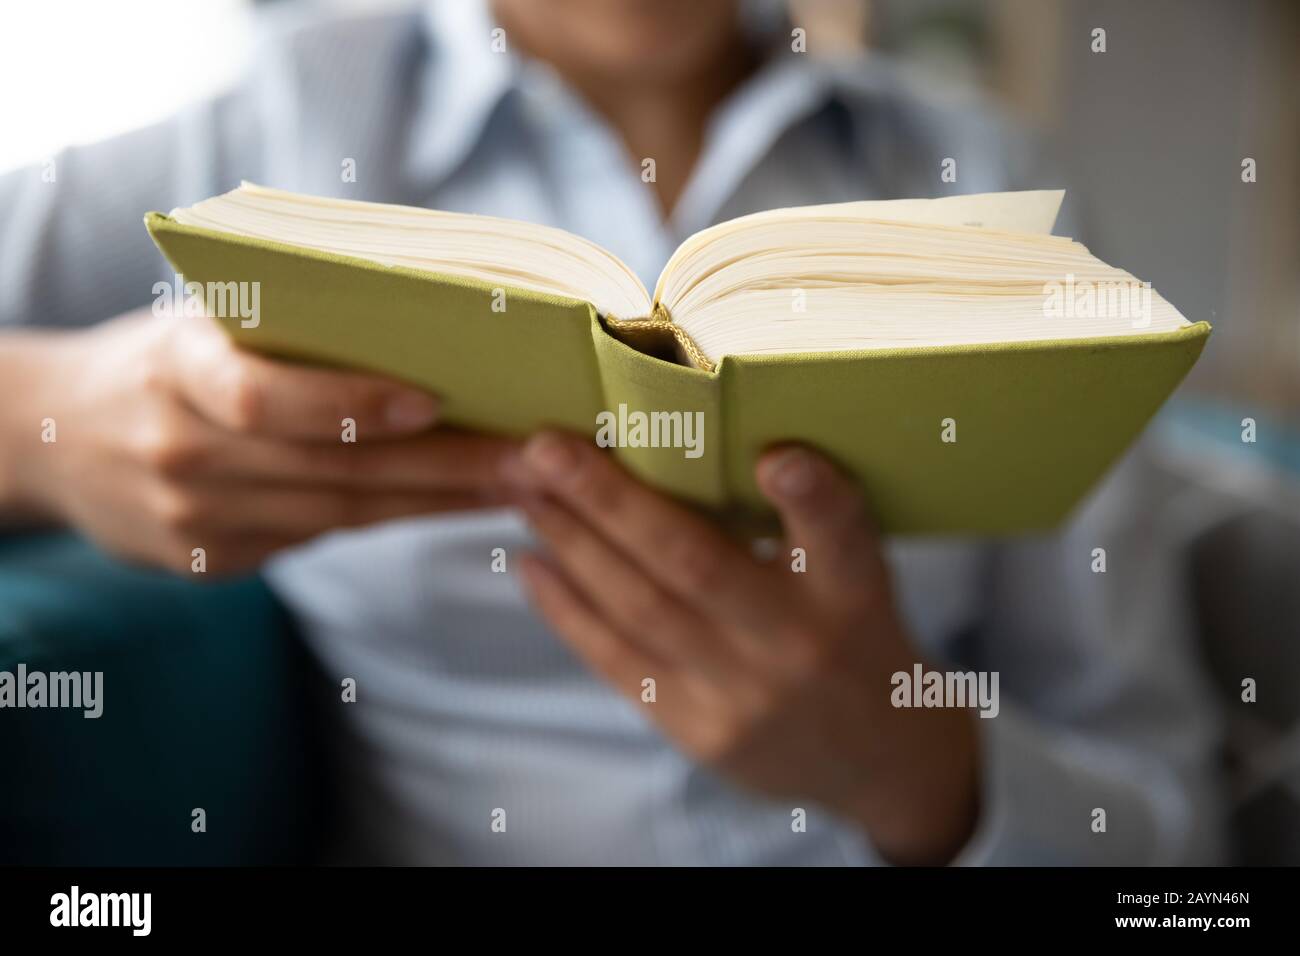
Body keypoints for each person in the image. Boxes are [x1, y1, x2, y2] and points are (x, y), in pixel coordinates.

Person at [0, 0, 1225, 864]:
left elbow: (1174, 829)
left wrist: (918, 771)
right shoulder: (285, 122)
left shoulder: (979, 175)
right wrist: (51, 430)